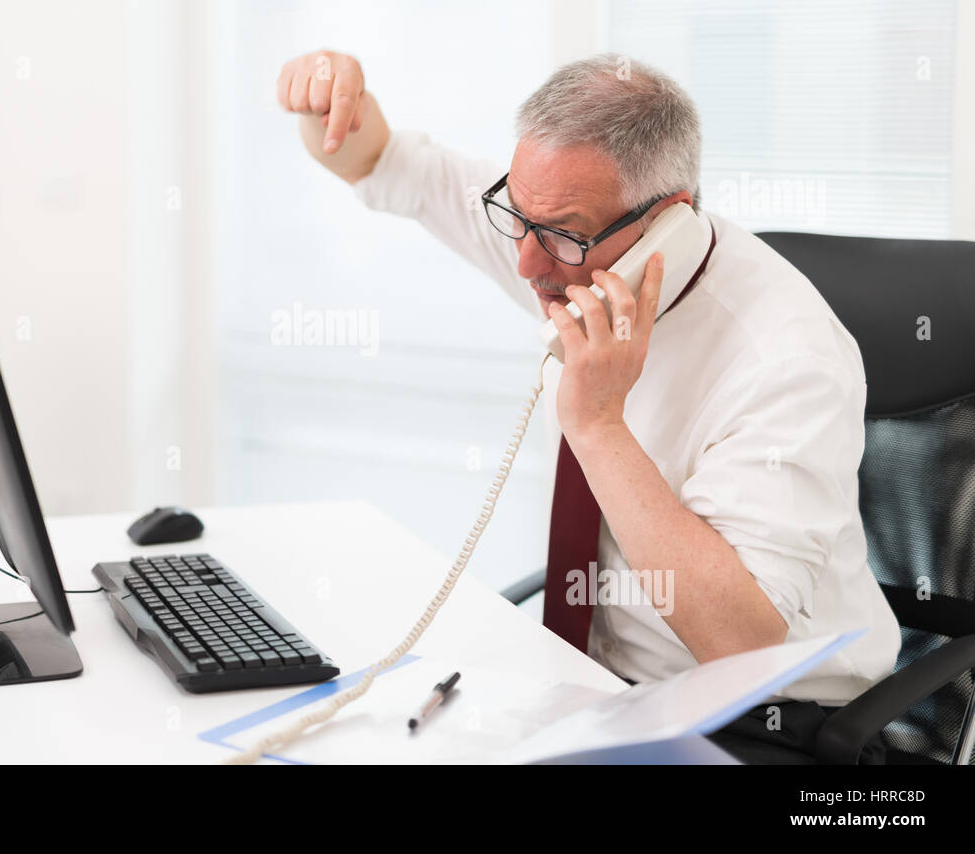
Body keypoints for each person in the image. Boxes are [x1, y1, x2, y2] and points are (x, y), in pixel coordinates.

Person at [276, 49, 901, 764]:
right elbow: (385, 162)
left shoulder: (789, 356)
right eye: (515, 214)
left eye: (561, 235)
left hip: (768, 723)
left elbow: (739, 644)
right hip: (597, 693)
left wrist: (599, 425)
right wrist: (332, 106)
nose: (527, 264)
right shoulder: (566, 246)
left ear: (662, 226)